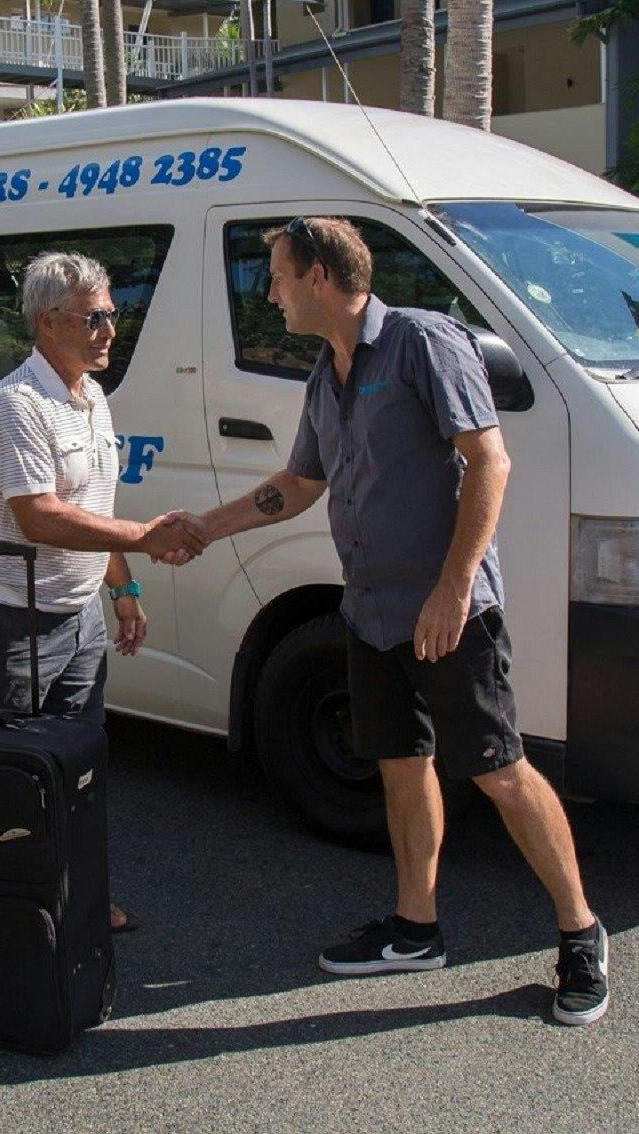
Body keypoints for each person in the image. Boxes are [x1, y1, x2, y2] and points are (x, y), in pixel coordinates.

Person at [183, 217, 609, 1025]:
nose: (268, 294)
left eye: (276, 276)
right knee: (400, 763)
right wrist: (208, 527)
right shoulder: (326, 373)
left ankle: (580, 931)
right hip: (371, 608)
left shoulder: (422, 342)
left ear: (317, 276)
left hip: (447, 610)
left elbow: (490, 460)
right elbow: (301, 484)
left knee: (498, 767)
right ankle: (417, 928)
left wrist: (452, 591)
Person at [0, 250, 205, 935]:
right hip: (10, 620)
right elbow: (40, 516)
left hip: (78, 618)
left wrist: (124, 588)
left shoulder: (91, 397)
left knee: (77, 768)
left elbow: (93, 504)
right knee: (7, 771)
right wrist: (146, 536)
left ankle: (74, 899)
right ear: (48, 322)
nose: (109, 331)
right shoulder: (17, 403)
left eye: (112, 316)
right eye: (94, 317)